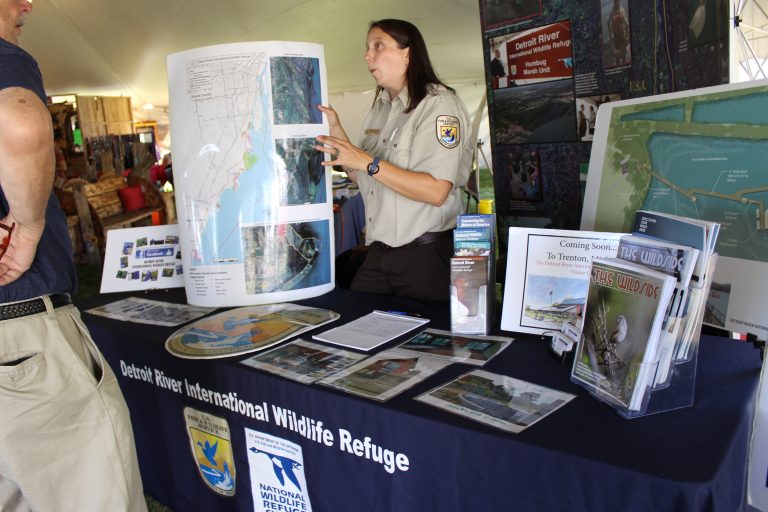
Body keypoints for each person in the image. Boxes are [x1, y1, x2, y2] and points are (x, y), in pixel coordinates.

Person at [0, 1, 147, 510]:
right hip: (21, 335)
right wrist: (29, 225)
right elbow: (21, 124)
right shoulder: (6, 58)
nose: (26, 5)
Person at [316, 19, 472, 302]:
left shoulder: (438, 105)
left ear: (407, 54)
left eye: (378, 46)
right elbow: (362, 177)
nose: (367, 56)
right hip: (378, 255)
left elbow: (436, 191)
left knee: (427, 344)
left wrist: (367, 162)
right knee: (358, 335)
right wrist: (337, 132)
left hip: (423, 257)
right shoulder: (381, 108)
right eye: (367, 48)